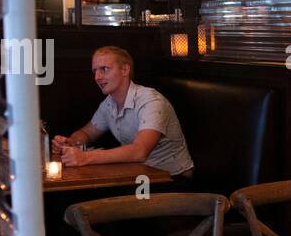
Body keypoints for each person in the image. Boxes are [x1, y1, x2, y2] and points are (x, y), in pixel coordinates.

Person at [52, 46, 194, 179]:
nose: (97, 77)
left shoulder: (150, 100)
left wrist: (85, 157)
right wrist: (69, 143)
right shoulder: (109, 103)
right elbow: (86, 133)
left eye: (104, 69)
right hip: (137, 175)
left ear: (125, 69)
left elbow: (140, 151)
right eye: (95, 71)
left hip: (172, 178)